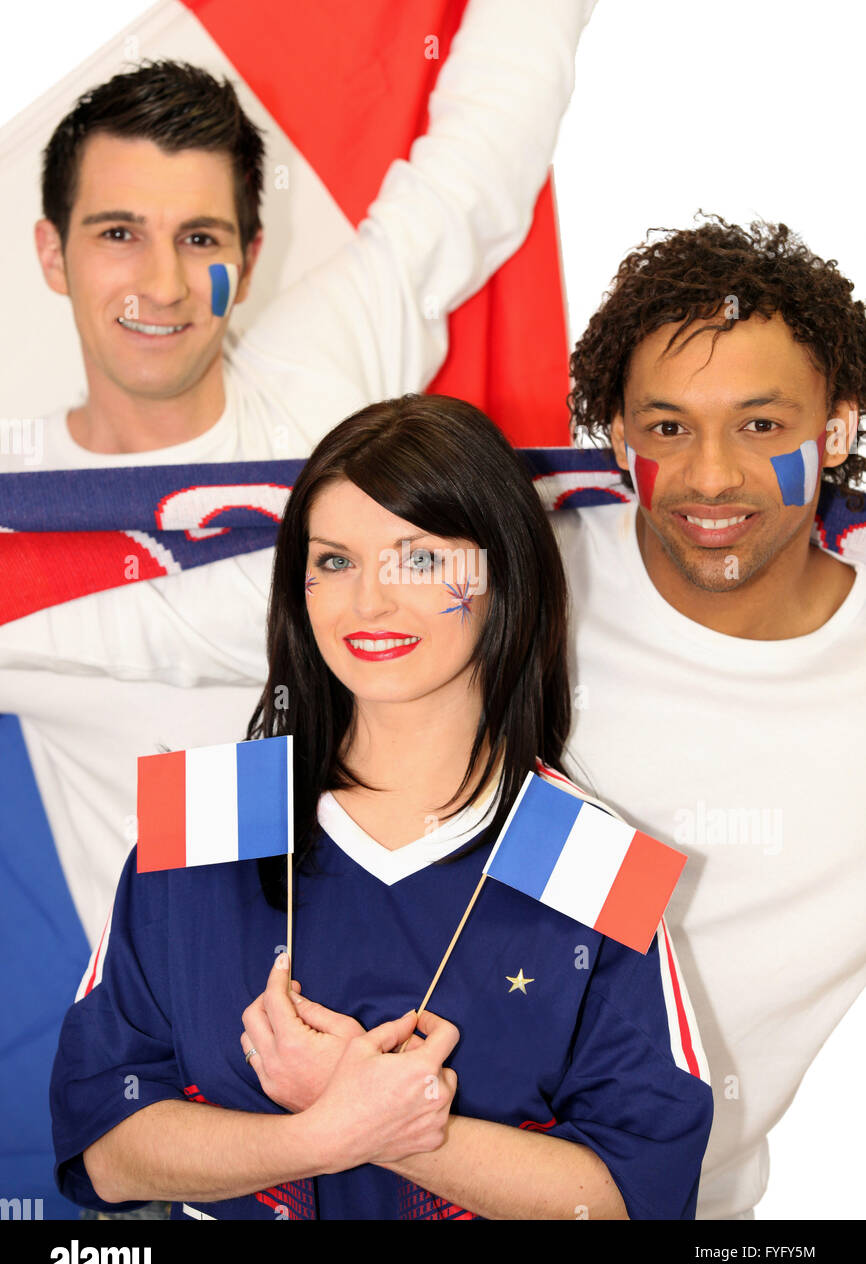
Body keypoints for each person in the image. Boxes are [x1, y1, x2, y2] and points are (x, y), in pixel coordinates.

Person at [50, 394, 713, 1220]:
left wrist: (384, 1118)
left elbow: (634, 1197)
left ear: (504, 572)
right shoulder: (205, 811)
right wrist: (322, 1134)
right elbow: (103, 1146)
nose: (367, 603)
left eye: (421, 559)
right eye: (334, 561)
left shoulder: (589, 858)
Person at [556, 214, 866, 1220]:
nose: (708, 478)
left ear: (837, 432)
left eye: (760, 426)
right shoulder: (516, 575)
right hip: (396, 1164)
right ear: (616, 435)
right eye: (666, 426)